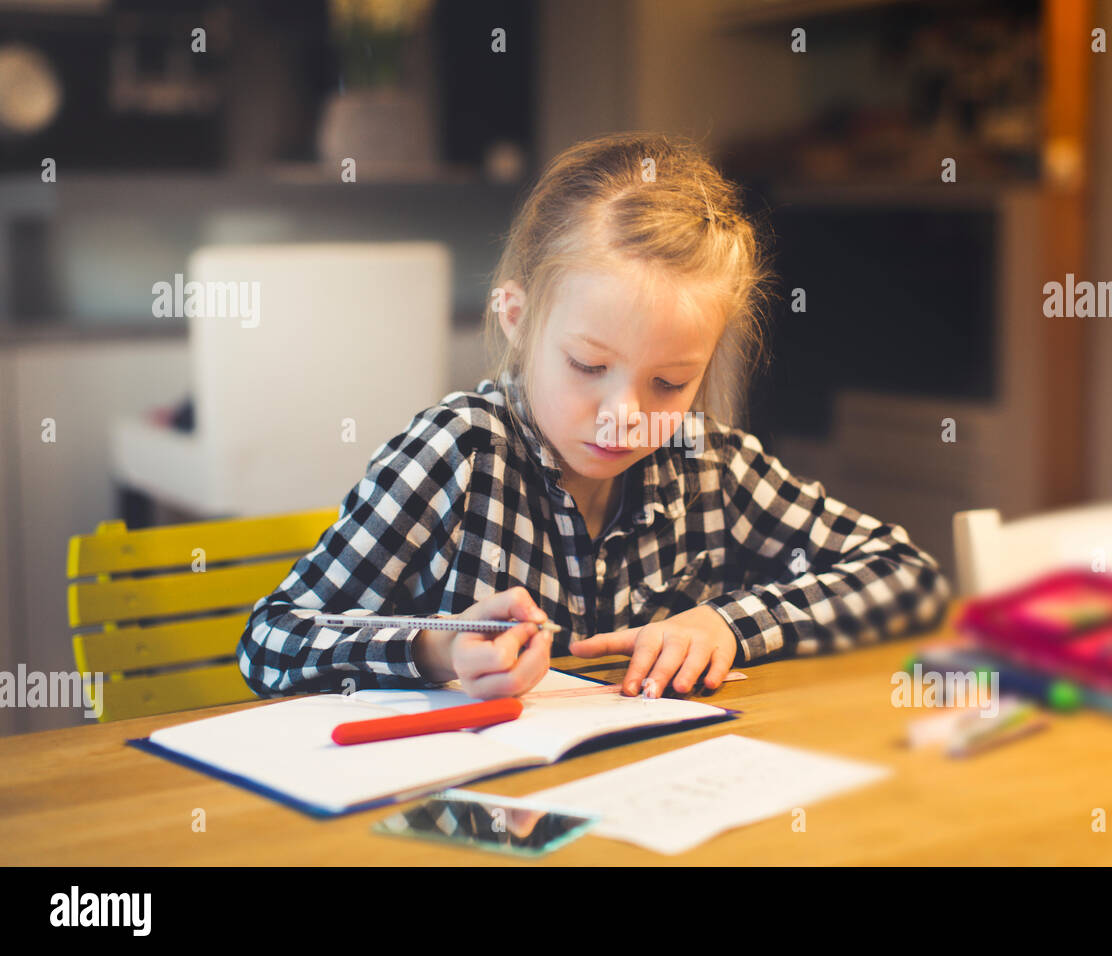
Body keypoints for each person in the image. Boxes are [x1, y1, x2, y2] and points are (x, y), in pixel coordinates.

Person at [237, 132, 949, 701]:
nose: (624, 418)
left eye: (670, 383)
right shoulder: (457, 454)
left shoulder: (709, 464)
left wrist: (730, 625)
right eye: (587, 367)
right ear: (517, 318)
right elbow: (271, 638)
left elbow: (908, 576)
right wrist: (437, 648)